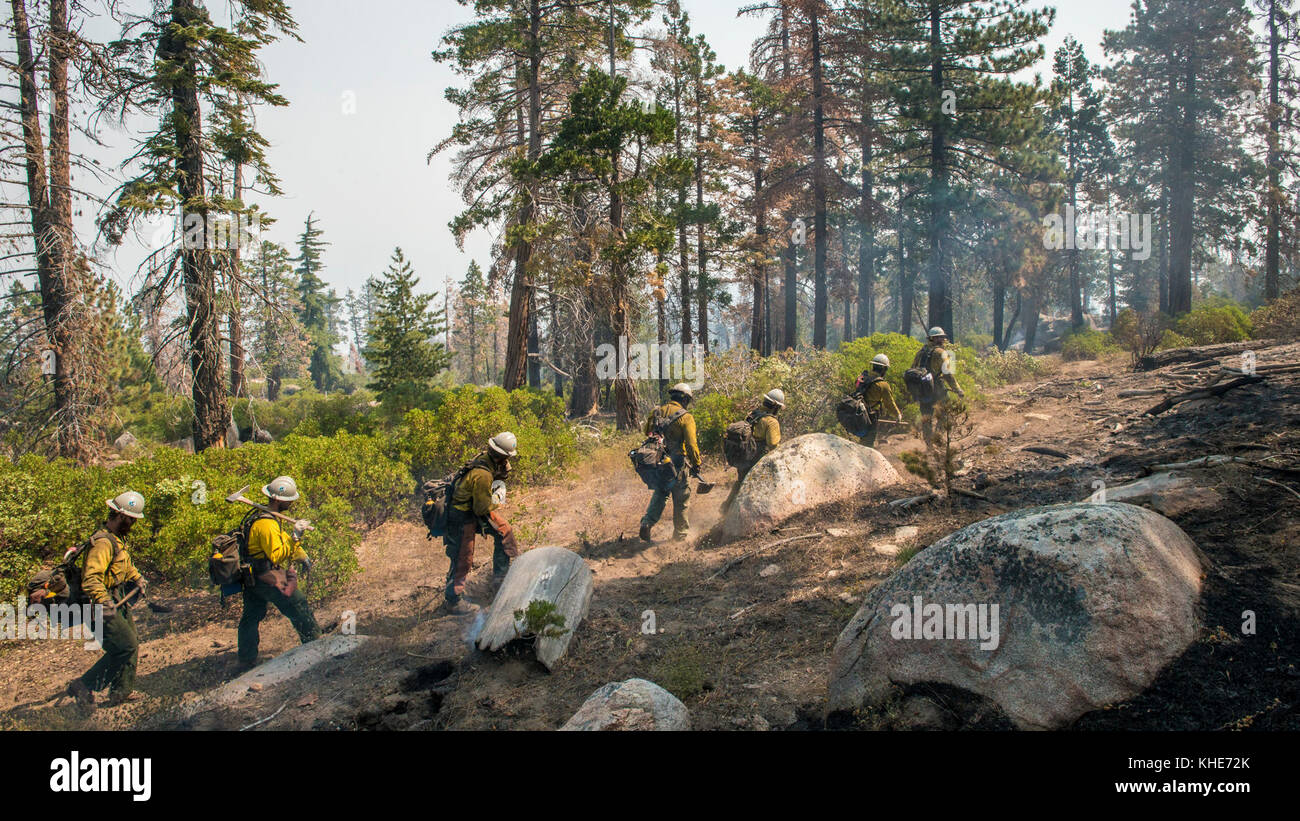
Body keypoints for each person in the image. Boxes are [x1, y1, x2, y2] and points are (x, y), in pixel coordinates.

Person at [66, 491, 148, 710]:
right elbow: (91, 579)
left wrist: (137, 578)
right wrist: (104, 602)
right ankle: (83, 685)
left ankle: (121, 692)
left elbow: (124, 564)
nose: (133, 524)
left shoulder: (116, 539)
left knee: (131, 643)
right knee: (124, 647)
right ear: (120, 516)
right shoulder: (102, 543)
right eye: (131, 520)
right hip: (99, 603)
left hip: (116, 597)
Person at [237, 476, 320, 668]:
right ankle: (316, 646)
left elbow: (280, 540)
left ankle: (246, 659)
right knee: (298, 604)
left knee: (251, 615)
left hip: (251, 577)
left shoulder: (266, 518)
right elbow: (276, 555)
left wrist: (300, 553)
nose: (292, 503)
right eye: (289, 500)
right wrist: (296, 536)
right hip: (266, 575)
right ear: (278, 500)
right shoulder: (267, 524)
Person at [444, 432, 520, 613]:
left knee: (504, 532)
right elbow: (481, 508)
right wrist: (498, 500)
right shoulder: (482, 475)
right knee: (463, 557)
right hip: (462, 516)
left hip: (472, 510)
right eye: (507, 457)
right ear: (502, 455)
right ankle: (453, 600)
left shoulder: (486, 459)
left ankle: (500, 581)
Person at [639, 383, 701, 543]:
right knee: (682, 498)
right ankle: (680, 536)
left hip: (657, 460)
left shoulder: (656, 411)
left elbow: (648, 432)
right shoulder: (686, 417)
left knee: (661, 492)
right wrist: (696, 463)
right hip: (677, 463)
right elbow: (691, 445)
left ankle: (647, 522)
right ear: (685, 399)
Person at [722, 388, 784, 512]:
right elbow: (773, 444)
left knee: (741, 483)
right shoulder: (771, 421)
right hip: (757, 459)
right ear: (776, 406)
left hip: (744, 455)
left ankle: (726, 509)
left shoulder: (753, 414)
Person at [912, 327, 965, 444]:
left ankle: (928, 444)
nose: (943, 339)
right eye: (941, 337)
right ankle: (937, 438)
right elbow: (948, 374)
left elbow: (913, 369)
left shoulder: (920, 352)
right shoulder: (941, 353)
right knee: (945, 413)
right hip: (937, 388)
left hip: (922, 389)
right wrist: (958, 389)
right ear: (934, 338)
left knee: (926, 417)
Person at [853, 354, 902, 448]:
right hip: (871, 416)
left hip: (857, 413)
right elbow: (889, 403)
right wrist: (897, 414)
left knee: (863, 439)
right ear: (884, 369)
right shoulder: (883, 385)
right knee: (868, 442)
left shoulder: (862, 378)